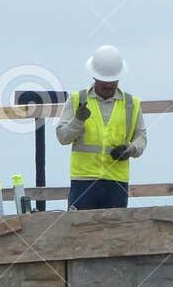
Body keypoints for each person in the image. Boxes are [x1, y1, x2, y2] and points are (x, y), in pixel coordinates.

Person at [53, 44, 146, 210]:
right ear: (95, 77)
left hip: (116, 182)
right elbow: (63, 138)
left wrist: (130, 149)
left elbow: (141, 138)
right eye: (105, 83)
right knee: (80, 232)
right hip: (83, 180)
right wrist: (77, 120)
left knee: (114, 233)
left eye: (113, 82)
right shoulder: (77, 100)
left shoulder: (132, 104)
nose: (109, 87)